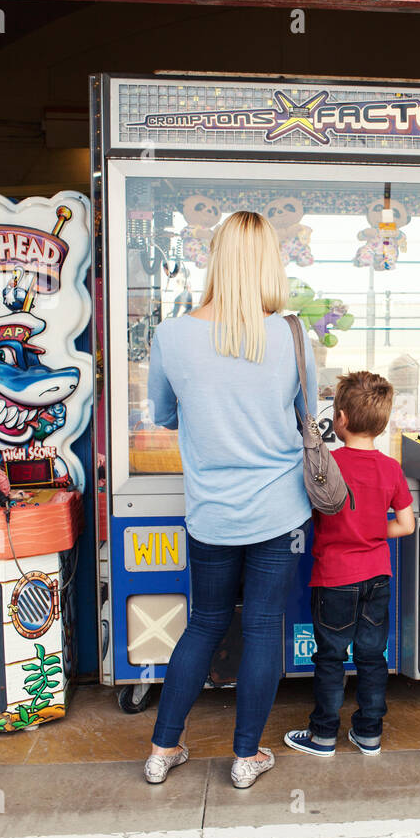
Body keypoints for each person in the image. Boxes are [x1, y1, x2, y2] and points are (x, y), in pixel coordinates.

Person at [143, 211, 316, 789]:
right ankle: (246, 758)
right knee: (264, 626)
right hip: (279, 510)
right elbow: (307, 412)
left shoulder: (172, 335)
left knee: (205, 623)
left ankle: (162, 750)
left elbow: (164, 415)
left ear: (214, 259)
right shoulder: (290, 333)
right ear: (269, 262)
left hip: (210, 511)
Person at [284, 370, 414, 758]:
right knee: (373, 657)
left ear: (339, 419)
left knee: (330, 657)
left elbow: (305, 511)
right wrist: (374, 529)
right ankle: (369, 733)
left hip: (334, 578)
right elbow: (406, 525)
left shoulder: (327, 465)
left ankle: (323, 735)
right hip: (377, 577)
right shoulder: (390, 468)